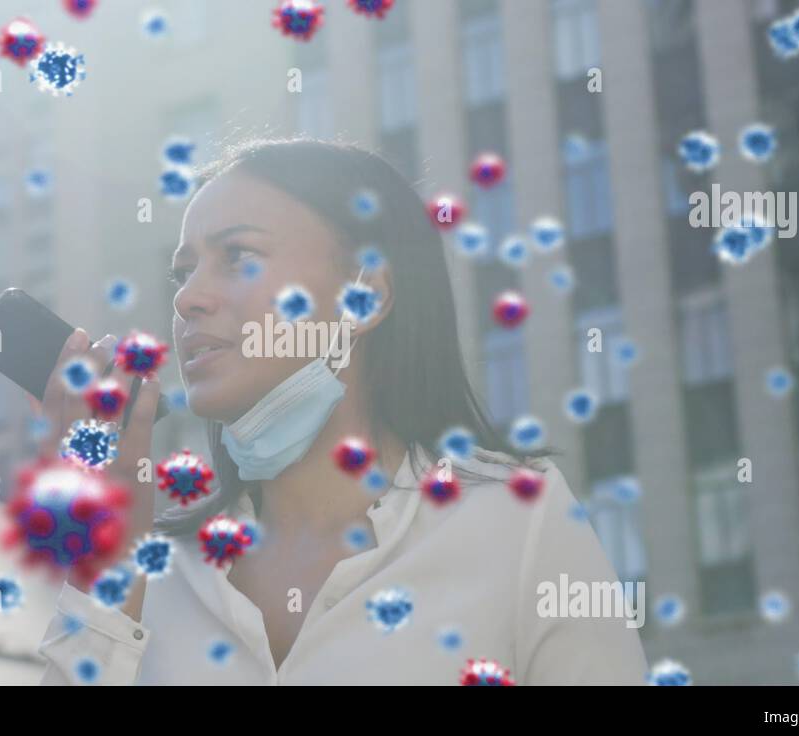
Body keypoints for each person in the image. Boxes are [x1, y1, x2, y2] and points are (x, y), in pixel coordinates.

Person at [35, 137, 647, 685]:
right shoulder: (153, 573)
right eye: (183, 273)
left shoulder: (519, 519)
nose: (190, 298)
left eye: (238, 256)